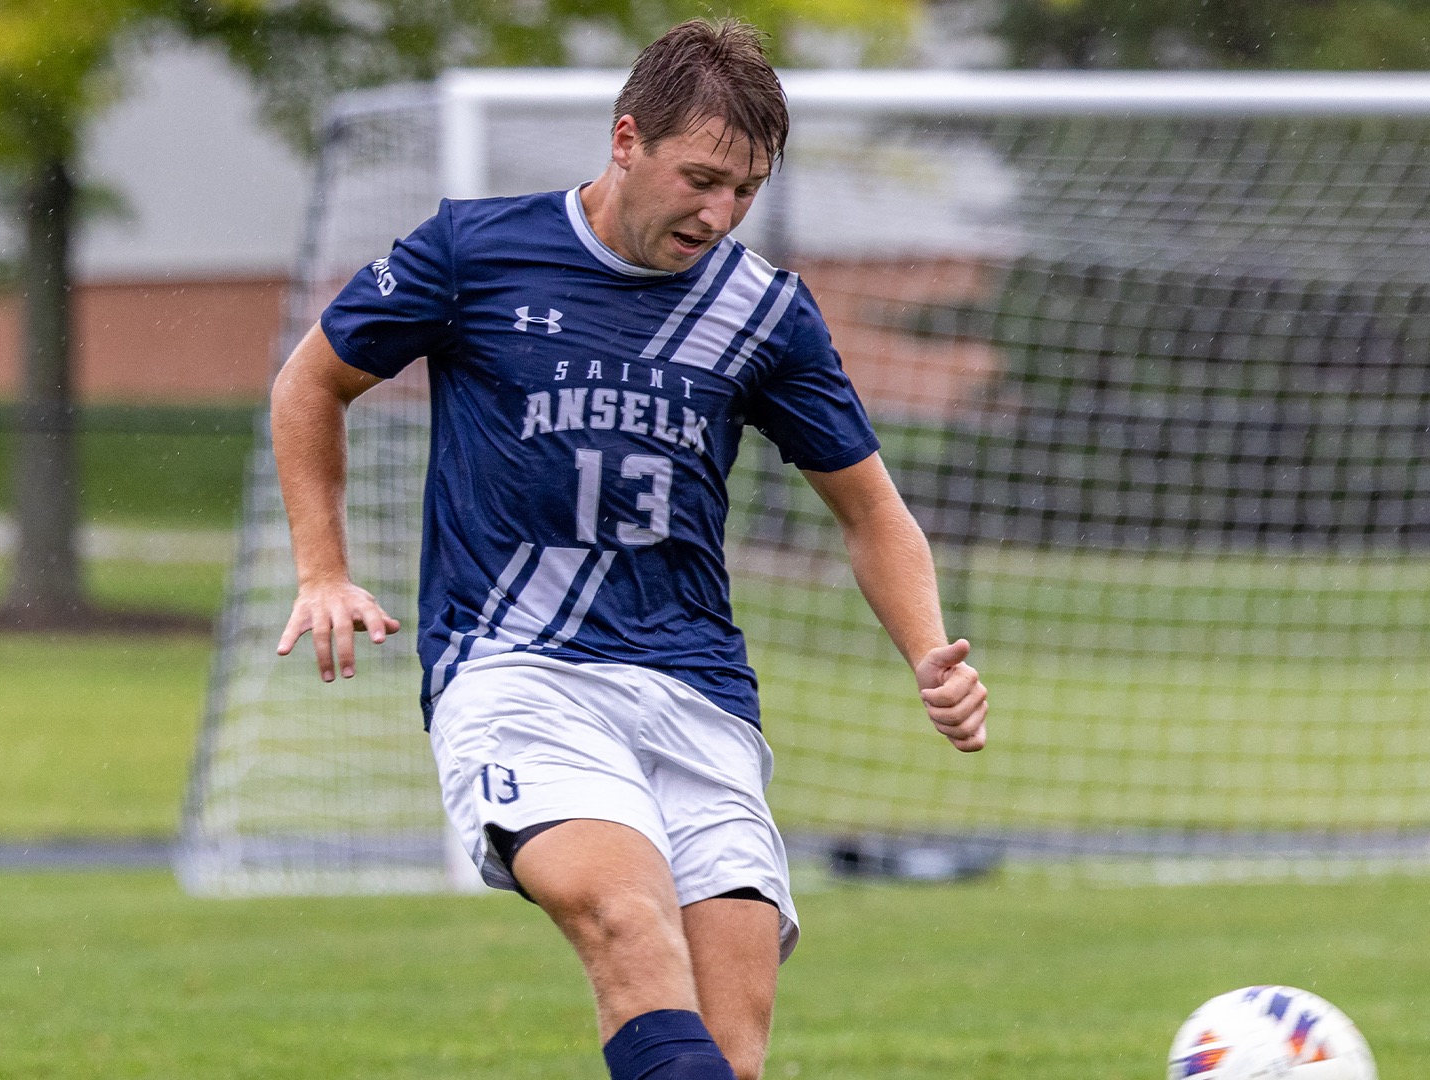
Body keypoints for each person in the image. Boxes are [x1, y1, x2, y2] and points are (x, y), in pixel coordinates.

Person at [269, 18, 988, 1080]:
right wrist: (322, 569)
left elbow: (871, 510)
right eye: (700, 178)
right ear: (625, 140)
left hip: (696, 694)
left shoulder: (764, 314)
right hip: (518, 672)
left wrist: (929, 652)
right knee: (627, 924)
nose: (719, 212)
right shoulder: (476, 250)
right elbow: (310, 383)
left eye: (744, 189)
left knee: (728, 1058)